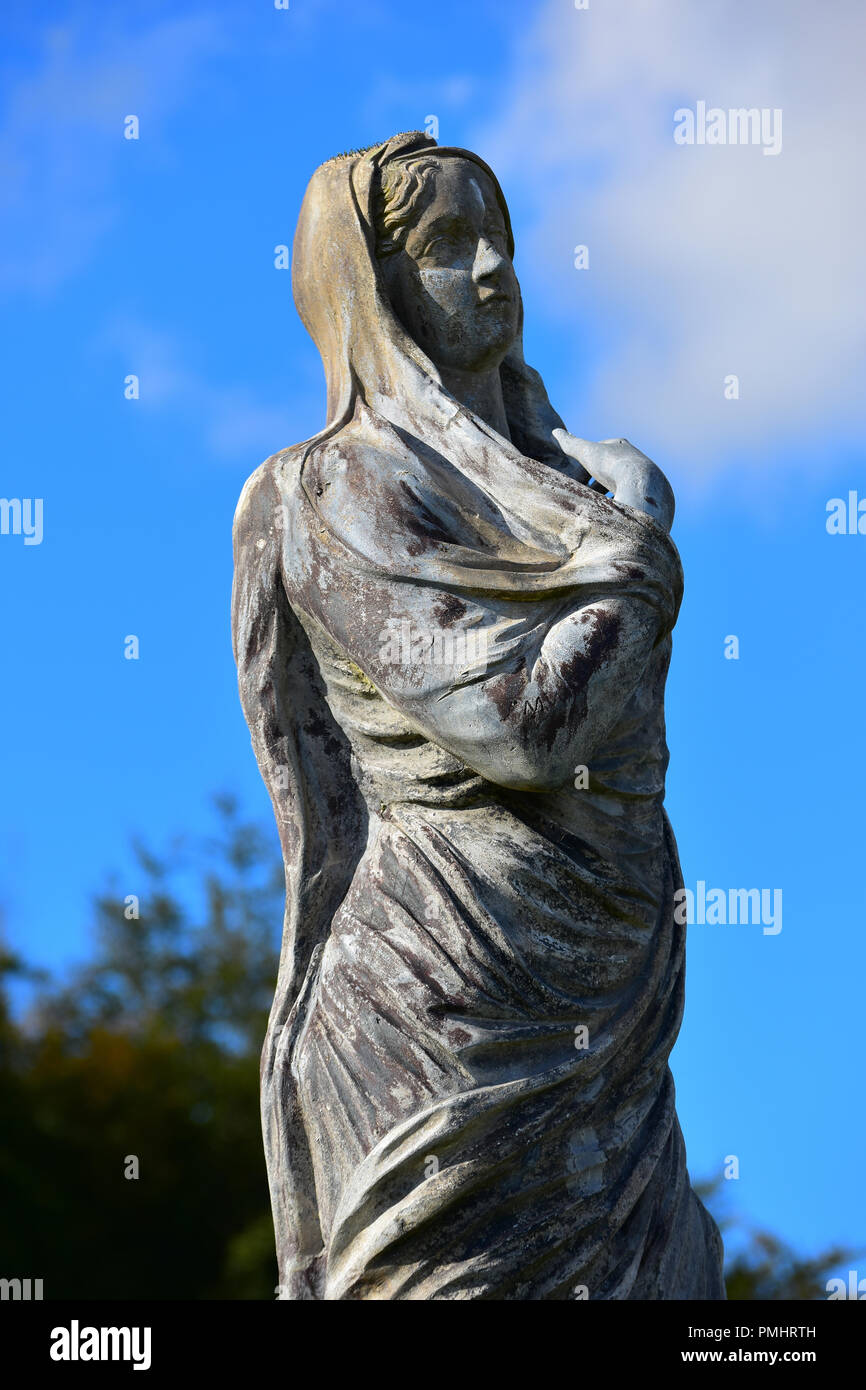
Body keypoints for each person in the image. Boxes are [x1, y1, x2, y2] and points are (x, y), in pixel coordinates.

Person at [232, 130, 725, 1300]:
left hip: (606, 1011)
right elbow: (519, 727)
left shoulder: (559, 495)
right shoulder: (338, 482)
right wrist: (639, 556)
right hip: (442, 1007)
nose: (496, 269)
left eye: (500, 238)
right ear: (373, 285)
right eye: (449, 245)